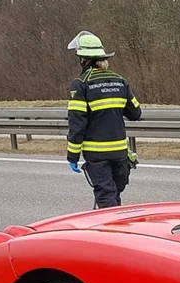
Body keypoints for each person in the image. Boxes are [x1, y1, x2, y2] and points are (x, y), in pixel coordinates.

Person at [65, 31, 142, 208]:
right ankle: (118, 228)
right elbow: (136, 113)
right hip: (120, 152)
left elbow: (77, 123)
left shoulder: (81, 84)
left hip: (97, 154)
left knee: (106, 196)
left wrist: (73, 155)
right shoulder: (120, 81)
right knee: (115, 193)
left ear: (83, 59)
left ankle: (112, 232)